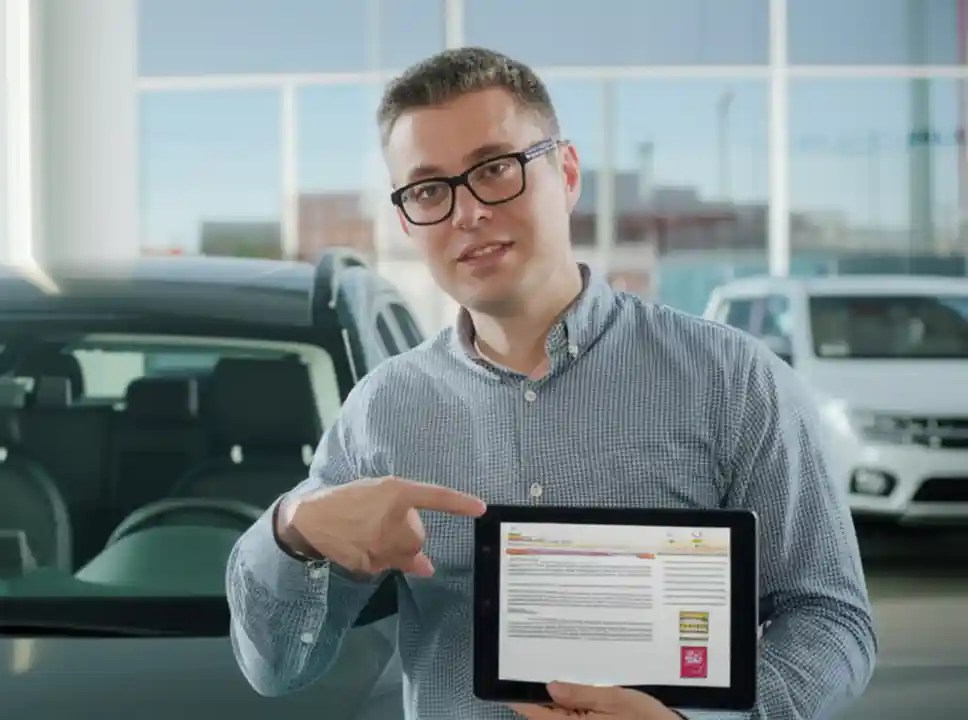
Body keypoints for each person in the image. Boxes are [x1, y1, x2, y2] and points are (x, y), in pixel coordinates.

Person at [224, 46, 877, 719]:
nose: (466, 212)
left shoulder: (734, 382)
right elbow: (278, 668)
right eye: (428, 190)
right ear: (405, 219)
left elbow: (829, 617)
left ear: (565, 173)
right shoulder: (382, 413)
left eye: (496, 168)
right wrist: (293, 531)